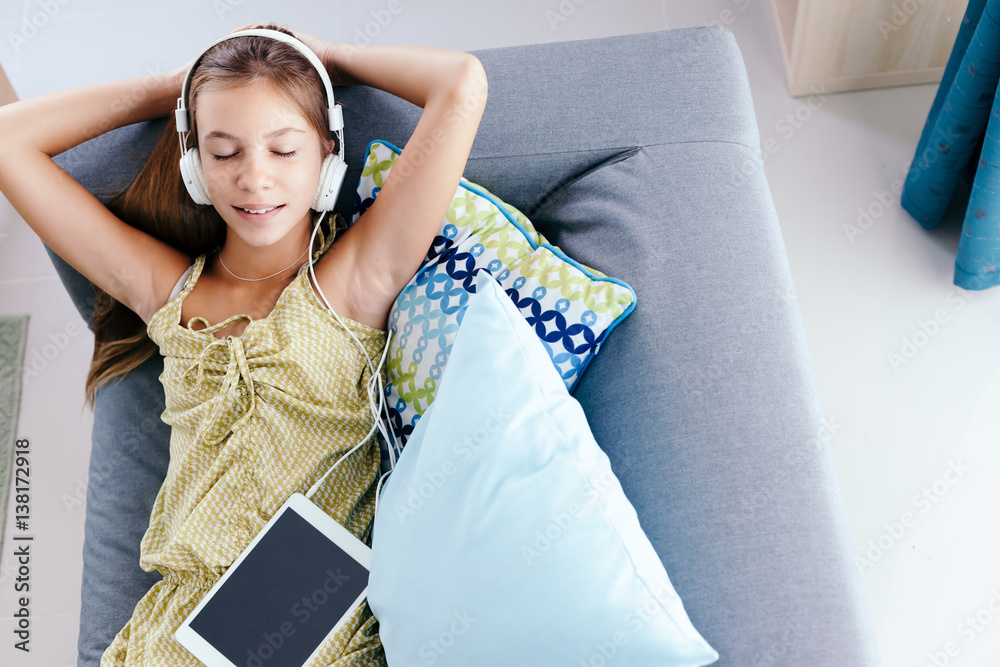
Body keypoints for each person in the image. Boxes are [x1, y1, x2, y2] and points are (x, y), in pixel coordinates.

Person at [0, 21, 487, 666]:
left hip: (313, 638)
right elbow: (9, 142)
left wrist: (322, 58)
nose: (255, 180)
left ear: (327, 157)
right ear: (194, 167)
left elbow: (461, 84)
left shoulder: (356, 278)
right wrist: (175, 89)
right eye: (224, 153)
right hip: (169, 637)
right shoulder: (168, 290)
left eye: (284, 151)